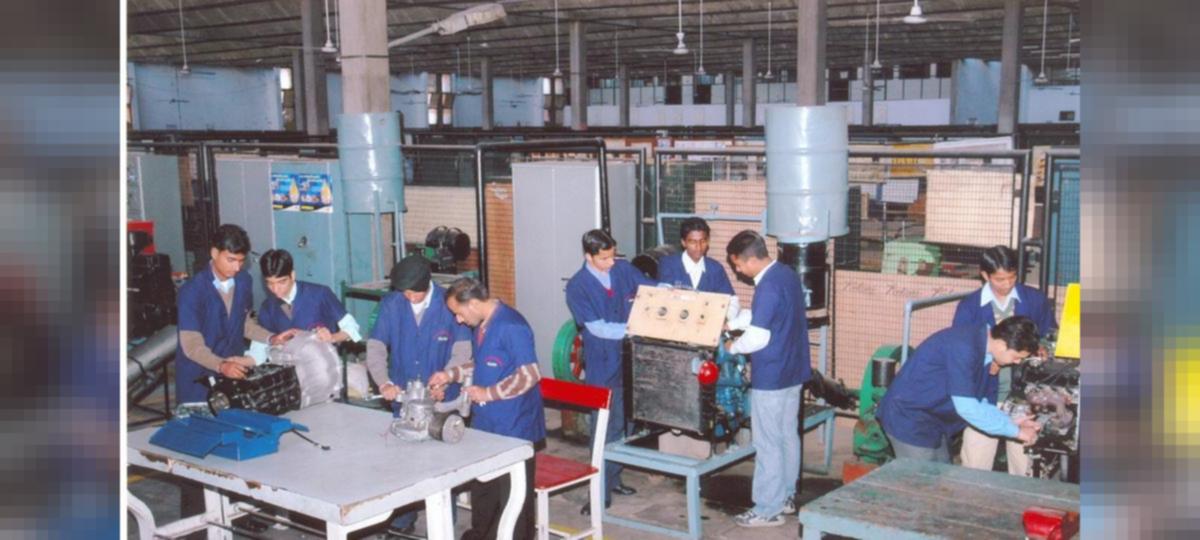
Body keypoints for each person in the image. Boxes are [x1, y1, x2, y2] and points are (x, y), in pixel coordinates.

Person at [428, 278, 546, 540]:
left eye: (458, 313)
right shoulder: (482, 326)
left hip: (513, 426)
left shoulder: (511, 326)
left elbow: (529, 374)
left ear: (472, 304)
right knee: (485, 491)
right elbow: (481, 364)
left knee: (511, 500)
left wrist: (487, 393)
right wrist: (450, 375)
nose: (458, 320)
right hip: (487, 426)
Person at [366, 256, 472, 535]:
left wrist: (447, 379)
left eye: (415, 292)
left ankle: (443, 525)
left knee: (442, 462)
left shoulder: (448, 305)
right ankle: (402, 520)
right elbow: (376, 347)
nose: (409, 297)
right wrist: (384, 382)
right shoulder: (392, 303)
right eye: (404, 293)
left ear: (428, 285)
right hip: (403, 395)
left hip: (440, 396)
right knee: (402, 460)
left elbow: (462, 350)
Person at [722, 230, 811, 528]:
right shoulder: (785, 274)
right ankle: (786, 496)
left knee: (768, 442)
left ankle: (766, 508)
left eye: (737, 265)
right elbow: (762, 316)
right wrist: (733, 324)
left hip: (771, 377)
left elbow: (758, 337)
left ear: (748, 260)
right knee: (787, 435)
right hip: (794, 371)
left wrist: (732, 345)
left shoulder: (767, 287)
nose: (737, 271)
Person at [564, 229, 654, 514]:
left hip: (629, 361)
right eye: (604, 258)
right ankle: (597, 492)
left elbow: (650, 289)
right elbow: (597, 328)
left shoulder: (623, 269)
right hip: (603, 365)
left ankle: (614, 478)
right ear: (588, 256)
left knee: (626, 425)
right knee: (604, 429)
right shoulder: (578, 286)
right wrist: (633, 329)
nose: (611, 262)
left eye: (613, 255)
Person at [877, 316, 1043, 464]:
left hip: (933, 421)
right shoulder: (964, 347)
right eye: (1016, 357)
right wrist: (1017, 433)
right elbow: (968, 408)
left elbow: (979, 403)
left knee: (941, 476)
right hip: (908, 418)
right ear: (1001, 344)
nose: (1016, 363)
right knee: (920, 484)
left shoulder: (983, 347)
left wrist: (1009, 421)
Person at [952, 245, 1057, 476]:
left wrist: (1043, 347)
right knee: (974, 466)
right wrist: (988, 362)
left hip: (1026, 396)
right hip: (985, 397)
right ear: (984, 275)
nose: (1007, 284)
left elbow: (1051, 333)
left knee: (1025, 467)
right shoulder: (969, 307)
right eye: (999, 279)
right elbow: (961, 349)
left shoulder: (1035, 300)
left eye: (1012, 277)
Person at [174, 224, 275, 404]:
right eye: (231, 260)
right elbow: (191, 345)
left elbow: (243, 323)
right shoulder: (191, 291)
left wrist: (271, 338)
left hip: (233, 372)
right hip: (198, 377)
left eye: (241, 261)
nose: (237, 267)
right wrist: (221, 366)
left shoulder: (244, 281)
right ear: (214, 253)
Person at [257, 249, 362, 345]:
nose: (275, 289)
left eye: (281, 282)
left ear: (292, 275)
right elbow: (261, 344)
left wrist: (331, 338)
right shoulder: (267, 307)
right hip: (287, 362)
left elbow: (352, 327)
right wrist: (275, 341)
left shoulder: (320, 294)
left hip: (323, 361)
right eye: (270, 283)